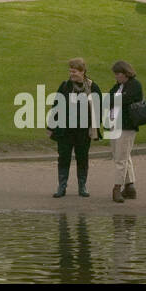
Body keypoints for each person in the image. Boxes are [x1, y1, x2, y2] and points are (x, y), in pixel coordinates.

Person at [47, 58, 101, 198]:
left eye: (74, 71)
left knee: (82, 157)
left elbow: (98, 109)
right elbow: (56, 106)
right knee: (63, 157)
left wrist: (94, 126)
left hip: (83, 131)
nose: (71, 74)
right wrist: (50, 125)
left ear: (83, 71)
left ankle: (82, 186)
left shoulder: (92, 87)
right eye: (70, 71)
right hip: (65, 130)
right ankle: (62, 186)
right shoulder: (65, 86)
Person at [107, 60, 143, 203]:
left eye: (118, 74)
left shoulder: (134, 85)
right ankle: (130, 186)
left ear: (125, 73)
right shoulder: (119, 86)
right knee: (122, 156)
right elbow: (109, 99)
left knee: (120, 159)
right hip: (114, 124)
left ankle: (117, 188)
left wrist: (113, 100)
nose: (116, 77)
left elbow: (122, 100)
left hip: (126, 126)